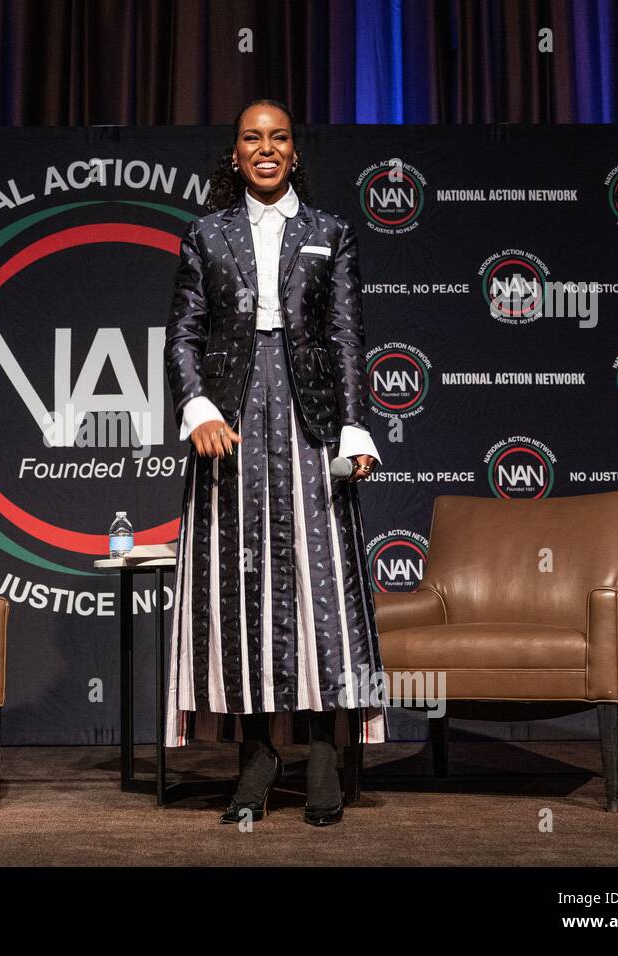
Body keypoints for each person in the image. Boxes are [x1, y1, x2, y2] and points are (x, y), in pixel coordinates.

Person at [164, 98, 386, 826]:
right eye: (252, 138)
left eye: (279, 137)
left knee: (321, 588)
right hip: (229, 421)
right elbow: (183, 335)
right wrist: (196, 408)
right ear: (234, 154)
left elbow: (348, 338)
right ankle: (256, 758)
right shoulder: (205, 234)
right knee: (238, 589)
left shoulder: (331, 232)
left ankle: (323, 753)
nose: (266, 148)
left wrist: (356, 427)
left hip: (312, 420)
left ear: (295, 151)